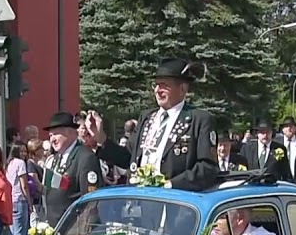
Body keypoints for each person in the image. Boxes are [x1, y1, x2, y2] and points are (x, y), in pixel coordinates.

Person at [92, 58, 219, 192]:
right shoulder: (147, 118)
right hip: (140, 201)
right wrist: (101, 138)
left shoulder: (198, 119)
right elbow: (128, 157)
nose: (158, 90)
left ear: (182, 89)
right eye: (156, 85)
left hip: (176, 202)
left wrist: (170, 185)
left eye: (164, 85)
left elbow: (208, 168)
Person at [40, 112, 107, 226]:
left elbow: (90, 201)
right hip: (56, 229)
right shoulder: (56, 158)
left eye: (56, 134)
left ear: (70, 133)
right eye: (50, 136)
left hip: (74, 230)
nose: (52, 140)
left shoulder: (85, 158)